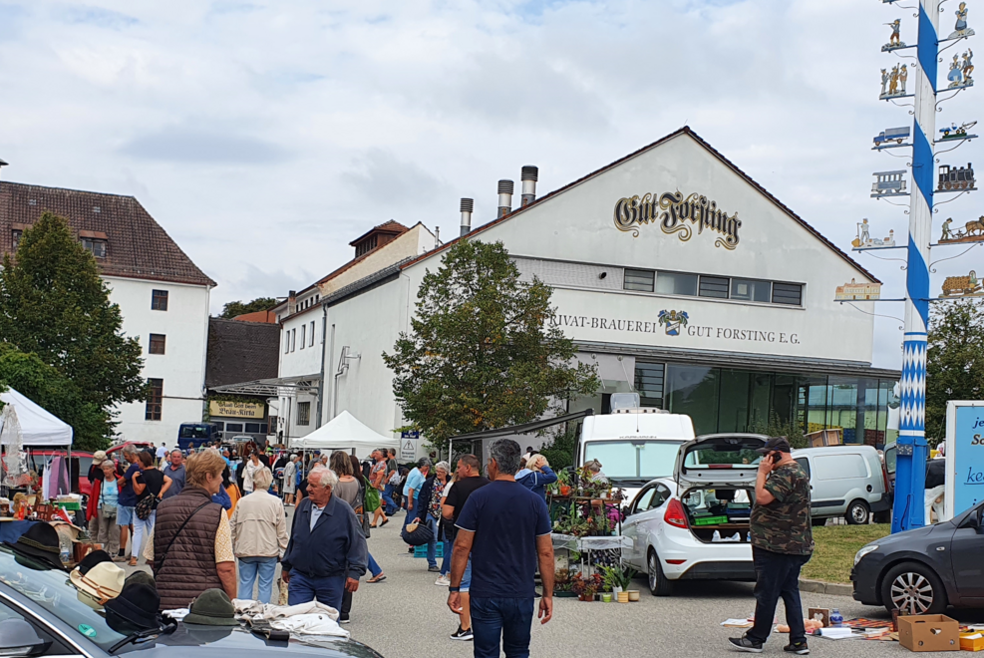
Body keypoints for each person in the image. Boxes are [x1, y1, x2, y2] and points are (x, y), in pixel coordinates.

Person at [448, 440, 554, 657]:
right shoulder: (535, 502)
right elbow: (546, 552)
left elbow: (461, 546)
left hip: (486, 590)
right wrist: (548, 594)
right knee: (518, 651)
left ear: (494, 463)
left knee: (486, 652)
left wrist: (454, 588)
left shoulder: (479, 498)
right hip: (521, 592)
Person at [729, 437, 813, 655]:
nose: (764, 459)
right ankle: (798, 640)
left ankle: (756, 639)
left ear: (777, 453)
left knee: (767, 592)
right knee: (789, 590)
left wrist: (762, 473)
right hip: (793, 545)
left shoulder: (786, 473)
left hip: (776, 546)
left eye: (767, 455)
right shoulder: (799, 471)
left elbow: (762, 497)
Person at [145, 449, 237, 609]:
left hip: (165, 601)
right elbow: (225, 568)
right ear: (209, 477)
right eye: (220, 474)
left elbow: (151, 557)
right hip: (203, 604)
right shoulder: (216, 512)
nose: (222, 479)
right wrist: (232, 602)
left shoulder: (163, 508)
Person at [281, 465, 367, 610]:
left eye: (313, 486)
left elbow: (357, 542)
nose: (308, 489)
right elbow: (295, 538)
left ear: (327, 489)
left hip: (330, 578)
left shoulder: (344, 511)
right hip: (301, 576)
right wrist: (286, 565)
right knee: (296, 621)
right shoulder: (303, 507)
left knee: (327, 625)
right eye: (308, 484)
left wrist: (355, 572)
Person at [441, 454, 490, 641]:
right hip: (486, 540)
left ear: (468, 468)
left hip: (464, 538)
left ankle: (465, 626)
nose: (456, 471)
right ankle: (485, 623)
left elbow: (447, 512)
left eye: (459, 467)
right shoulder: (489, 485)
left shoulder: (458, 487)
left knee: (463, 583)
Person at [231, 466, 288, 604]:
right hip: (268, 550)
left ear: (254, 482)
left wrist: (231, 549)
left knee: (245, 583)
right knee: (265, 585)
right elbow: (281, 531)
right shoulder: (276, 502)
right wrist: (284, 552)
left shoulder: (242, 502)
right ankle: (261, 615)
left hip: (245, 549)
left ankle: (243, 612)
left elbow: (232, 527)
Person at [130, 451, 170, 567]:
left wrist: (133, 479)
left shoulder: (142, 475)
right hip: (154, 505)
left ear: (143, 462)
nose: (137, 464)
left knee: (137, 531)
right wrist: (161, 492)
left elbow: (138, 490)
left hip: (142, 506)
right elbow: (169, 481)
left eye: (138, 461)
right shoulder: (159, 473)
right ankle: (152, 556)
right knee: (152, 531)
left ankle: (134, 557)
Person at [416, 461, 450, 574]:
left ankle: (447, 564)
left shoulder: (452, 483)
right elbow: (422, 499)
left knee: (446, 539)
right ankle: (432, 563)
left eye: (441, 472)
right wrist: (419, 516)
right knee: (433, 537)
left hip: (446, 514)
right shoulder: (429, 482)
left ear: (446, 472)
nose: (438, 473)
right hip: (432, 512)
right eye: (437, 471)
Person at [116, 444, 140, 562]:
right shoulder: (141, 466)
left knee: (124, 525)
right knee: (133, 526)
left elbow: (121, 481)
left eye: (126, 456)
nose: (125, 458)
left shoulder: (133, 467)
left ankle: (121, 552)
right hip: (135, 499)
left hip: (126, 499)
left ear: (132, 455)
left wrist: (121, 481)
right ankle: (134, 551)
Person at [96, 460, 121, 556]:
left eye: (108, 469)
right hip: (102, 507)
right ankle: (103, 550)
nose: (106, 471)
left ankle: (114, 550)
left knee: (115, 530)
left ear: (113, 469)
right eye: (104, 469)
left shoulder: (118, 480)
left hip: (116, 507)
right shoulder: (100, 481)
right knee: (102, 529)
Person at [402, 458, 431, 539]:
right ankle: (410, 533)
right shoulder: (418, 475)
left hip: (408, 494)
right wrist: (410, 503)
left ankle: (404, 531)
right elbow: (411, 489)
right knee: (413, 515)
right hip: (413, 496)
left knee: (409, 514)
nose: (428, 468)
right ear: (423, 466)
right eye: (427, 466)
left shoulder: (415, 470)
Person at [369, 450, 389, 528]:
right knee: (376, 503)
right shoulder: (378, 463)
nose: (375, 455)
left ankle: (374, 522)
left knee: (376, 504)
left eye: (377, 454)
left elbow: (379, 476)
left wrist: (375, 486)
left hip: (377, 486)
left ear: (382, 456)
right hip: (374, 484)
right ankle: (384, 517)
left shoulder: (382, 464)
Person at [925, 450, 947, 525]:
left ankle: (941, 523)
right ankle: (927, 523)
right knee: (928, 501)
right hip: (939, 477)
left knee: (936, 503)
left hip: (936, 473)